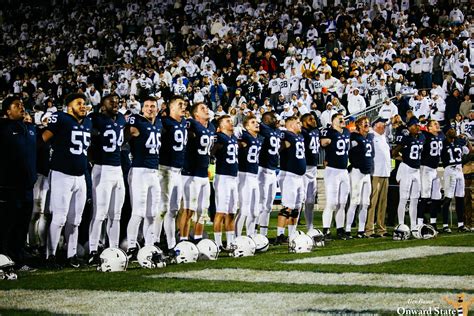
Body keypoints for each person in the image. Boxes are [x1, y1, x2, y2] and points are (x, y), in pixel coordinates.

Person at [42, 93, 92, 268]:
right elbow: (44, 139)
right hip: (62, 174)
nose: (83, 106)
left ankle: (71, 256)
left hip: (80, 175)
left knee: (75, 220)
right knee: (60, 217)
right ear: (69, 106)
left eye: (84, 103)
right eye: (79, 103)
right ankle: (50, 256)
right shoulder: (61, 118)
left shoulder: (87, 122)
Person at [87, 94, 126, 265]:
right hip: (101, 168)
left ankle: (113, 248)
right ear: (102, 105)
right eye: (111, 102)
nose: (115, 104)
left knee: (116, 215)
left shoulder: (122, 119)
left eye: (117, 101)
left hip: (117, 169)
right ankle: (93, 250)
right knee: (99, 214)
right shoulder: (95, 118)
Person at [0, 95, 37, 271]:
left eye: (22, 105)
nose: (22, 107)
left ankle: (18, 259)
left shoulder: (29, 128)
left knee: (22, 225)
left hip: (27, 186)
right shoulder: (2, 128)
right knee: (7, 225)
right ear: (7, 111)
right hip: (8, 186)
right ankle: (4, 259)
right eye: (17, 105)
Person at [124, 96, 162, 259]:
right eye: (146, 106)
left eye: (152, 106)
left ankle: (149, 245)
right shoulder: (136, 121)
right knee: (138, 212)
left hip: (154, 171)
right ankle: (132, 246)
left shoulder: (159, 123)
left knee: (152, 213)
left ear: (157, 109)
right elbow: (127, 134)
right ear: (141, 108)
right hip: (139, 170)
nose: (149, 108)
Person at [155, 95, 187, 253]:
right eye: (180, 104)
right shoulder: (164, 122)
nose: (183, 106)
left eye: (184, 104)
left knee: (174, 210)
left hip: (178, 171)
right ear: (171, 107)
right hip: (164, 169)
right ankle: (154, 242)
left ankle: (170, 244)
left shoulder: (183, 123)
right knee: (162, 208)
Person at [179, 102, 215, 243]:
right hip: (190, 174)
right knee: (188, 209)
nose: (206, 110)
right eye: (202, 108)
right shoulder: (191, 123)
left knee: (202, 211)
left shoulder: (211, 126)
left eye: (206, 107)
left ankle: (198, 240)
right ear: (196, 114)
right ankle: (183, 240)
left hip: (203, 174)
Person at [275, 116, 306, 243]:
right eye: (298, 123)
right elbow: (279, 144)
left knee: (297, 207)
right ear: (291, 125)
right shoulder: (285, 134)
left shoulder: (299, 136)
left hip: (299, 176)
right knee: (287, 206)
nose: (300, 125)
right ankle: (280, 235)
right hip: (289, 175)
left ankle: (292, 234)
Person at [320, 113, 351, 240]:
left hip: (344, 171)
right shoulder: (329, 131)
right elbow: (323, 143)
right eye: (340, 119)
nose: (343, 120)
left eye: (343, 118)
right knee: (331, 203)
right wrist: (328, 141)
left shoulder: (347, 132)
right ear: (333, 122)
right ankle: (326, 230)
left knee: (342, 203)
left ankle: (340, 229)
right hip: (332, 170)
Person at [392, 117, 425, 230]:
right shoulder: (406, 138)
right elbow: (394, 152)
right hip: (407, 169)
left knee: (415, 199)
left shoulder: (422, 137)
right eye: (415, 125)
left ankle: (413, 225)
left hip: (416, 170)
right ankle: (401, 224)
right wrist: (403, 159)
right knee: (404, 198)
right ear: (409, 127)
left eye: (418, 125)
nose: (417, 127)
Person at [211, 115, 239, 250]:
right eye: (228, 121)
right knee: (221, 211)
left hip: (234, 177)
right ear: (221, 125)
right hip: (223, 177)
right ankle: (217, 244)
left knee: (231, 212)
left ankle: (230, 242)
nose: (231, 123)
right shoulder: (219, 137)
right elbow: (211, 152)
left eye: (231, 121)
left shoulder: (233, 137)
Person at [345, 116, 374, 239]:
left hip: (367, 173)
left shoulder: (369, 138)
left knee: (365, 203)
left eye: (368, 123)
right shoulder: (354, 137)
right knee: (354, 202)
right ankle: (347, 230)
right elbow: (347, 151)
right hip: (357, 172)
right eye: (365, 123)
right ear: (359, 126)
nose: (367, 125)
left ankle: (361, 230)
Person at [440, 123, 472, 233]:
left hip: (459, 169)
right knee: (448, 198)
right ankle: (445, 225)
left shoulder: (458, 141)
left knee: (460, 197)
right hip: (449, 169)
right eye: (450, 129)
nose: (453, 131)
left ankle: (461, 224)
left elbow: (469, 151)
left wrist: (467, 142)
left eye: (453, 129)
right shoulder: (442, 143)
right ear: (446, 133)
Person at [235, 115, 262, 237]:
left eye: (256, 122)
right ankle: (235, 239)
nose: (256, 124)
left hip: (254, 176)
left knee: (255, 211)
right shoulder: (244, 136)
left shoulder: (257, 138)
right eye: (253, 122)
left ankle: (251, 236)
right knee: (244, 210)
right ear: (246, 126)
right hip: (244, 174)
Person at [257, 112, 282, 236]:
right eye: (273, 118)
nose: (276, 120)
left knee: (268, 206)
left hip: (273, 170)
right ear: (267, 119)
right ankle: (253, 233)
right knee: (260, 203)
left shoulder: (276, 131)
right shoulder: (261, 128)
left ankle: (263, 235)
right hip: (262, 169)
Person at [366, 117, 391, 237]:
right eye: (382, 123)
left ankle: (381, 228)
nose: (385, 125)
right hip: (375, 173)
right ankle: (369, 229)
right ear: (375, 125)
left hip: (385, 173)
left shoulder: (383, 137)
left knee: (383, 203)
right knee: (372, 202)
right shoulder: (371, 135)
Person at [418, 120, 444, 230]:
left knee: (436, 197)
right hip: (426, 168)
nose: (437, 125)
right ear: (428, 128)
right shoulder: (425, 136)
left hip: (435, 169)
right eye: (434, 124)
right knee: (424, 196)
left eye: (437, 123)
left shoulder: (440, 136)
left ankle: (433, 223)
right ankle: (419, 224)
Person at [300, 113, 320, 231]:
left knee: (311, 200)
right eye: (310, 119)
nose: (313, 120)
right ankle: (292, 228)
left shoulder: (316, 131)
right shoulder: (302, 132)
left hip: (313, 168)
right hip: (303, 168)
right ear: (303, 122)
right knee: (299, 201)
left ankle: (310, 227)